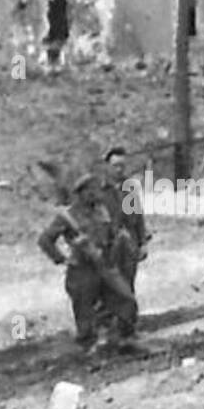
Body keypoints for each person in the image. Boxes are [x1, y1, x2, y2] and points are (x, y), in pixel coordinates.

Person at [38, 172, 139, 350]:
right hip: (82, 270)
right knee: (84, 310)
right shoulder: (68, 216)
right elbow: (45, 240)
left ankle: (118, 337)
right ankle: (87, 348)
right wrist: (62, 259)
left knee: (125, 299)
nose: (96, 195)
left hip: (104, 265)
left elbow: (111, 234)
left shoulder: (102, 211)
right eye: (91, 191)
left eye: (97, 191)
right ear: (81, 193)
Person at [99, 147, 150, 294]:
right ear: (107, 166)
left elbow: (138, 216)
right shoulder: (98, 190)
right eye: (115, 166)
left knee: (128, 279)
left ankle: (128, 315)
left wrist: (143, 243)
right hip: (108, 243)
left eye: (122, 166)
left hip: (129, 241)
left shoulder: (129, 188)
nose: (119, 170)